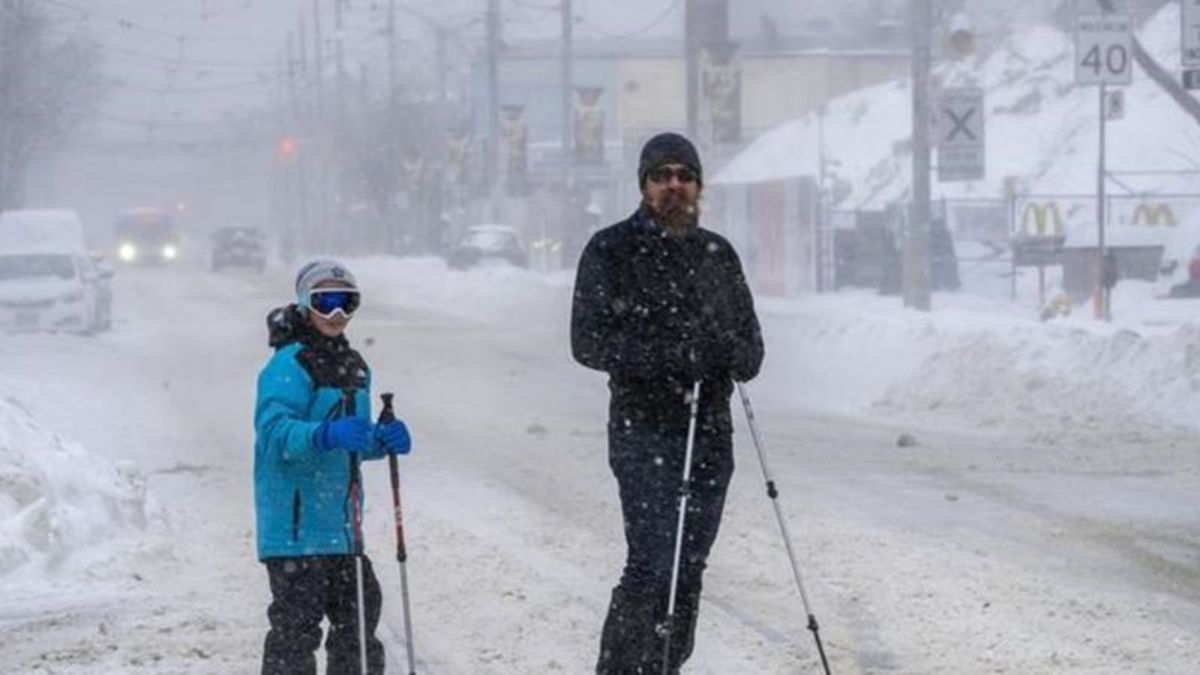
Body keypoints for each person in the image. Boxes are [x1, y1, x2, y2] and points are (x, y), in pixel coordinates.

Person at [571, 132, 765, 673]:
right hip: (643, 431)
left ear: (699, 186)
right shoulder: (611, 249)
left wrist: (726, 351)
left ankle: (664, 664)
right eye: (662, 176)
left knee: (689, 569)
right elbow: (587, 342)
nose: (674, 185)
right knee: (652, 564)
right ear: (644, 185)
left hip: (709, 434)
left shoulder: (717, 255)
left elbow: (751, 351)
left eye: (685, 175)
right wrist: (672, 355)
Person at [254, 258, 413, 675]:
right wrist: (325, 434)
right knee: (295, 633)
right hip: (295, 533)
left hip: (344, 532)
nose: (337, 313)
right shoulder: (287, 365)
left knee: (359, 623)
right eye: (325, 302)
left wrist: (379, 440)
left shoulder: (354, 366)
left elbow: (350, 442)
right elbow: (274, 435)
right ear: (305, 303)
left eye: (347, 302)